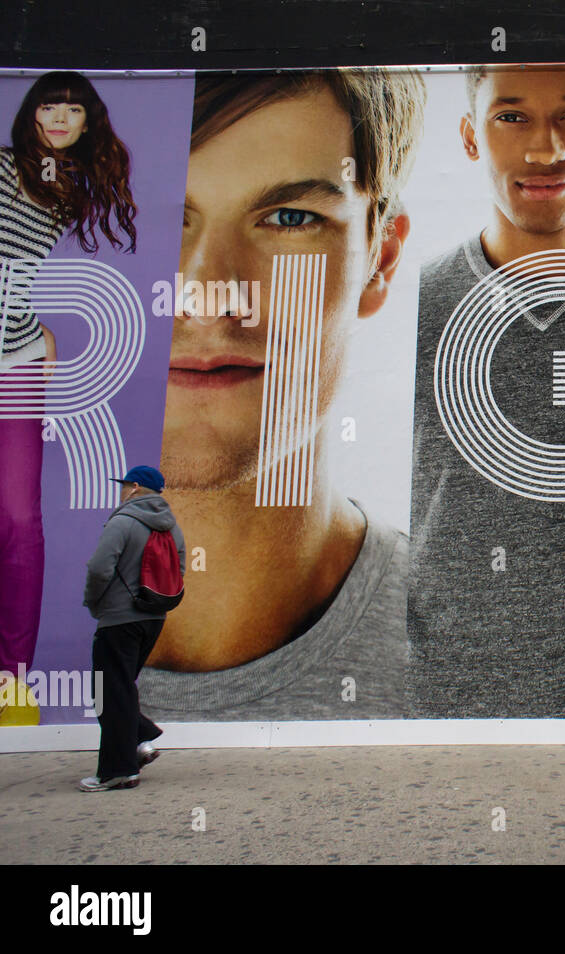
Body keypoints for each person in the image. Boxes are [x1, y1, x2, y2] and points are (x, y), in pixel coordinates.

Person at [136, 69, 426, 720]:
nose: (206, 298)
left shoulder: (483, 654)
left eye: (290, 217)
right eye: (147, 213)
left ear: (380, 257)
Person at [407, 64, 565, 718]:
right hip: (441, 711)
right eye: (512, 116)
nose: (545, 149)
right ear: (470, 135)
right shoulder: (418, 303)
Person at [0, 70, 137, 719]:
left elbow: (20, 276)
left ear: (87, 122)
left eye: (72, 108)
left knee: (21, 520)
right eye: (48, 104)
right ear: (31, 113)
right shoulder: (2, 170)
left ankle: (9, 684)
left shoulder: (70, 190)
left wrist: (43, 327)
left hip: (18, 362)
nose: (58, 116)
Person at [79, 466, 184, 792]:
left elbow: (99, 569)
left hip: (118, 619)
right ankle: (140, 741)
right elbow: (179, 571)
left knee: (107, 692)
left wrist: (94, 602)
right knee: (117, 689)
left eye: (124, 485)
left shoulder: (123, 522)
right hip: (152, 619)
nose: (122, 490)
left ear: (135, 487)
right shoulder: (172, 528)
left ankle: (118, 771)